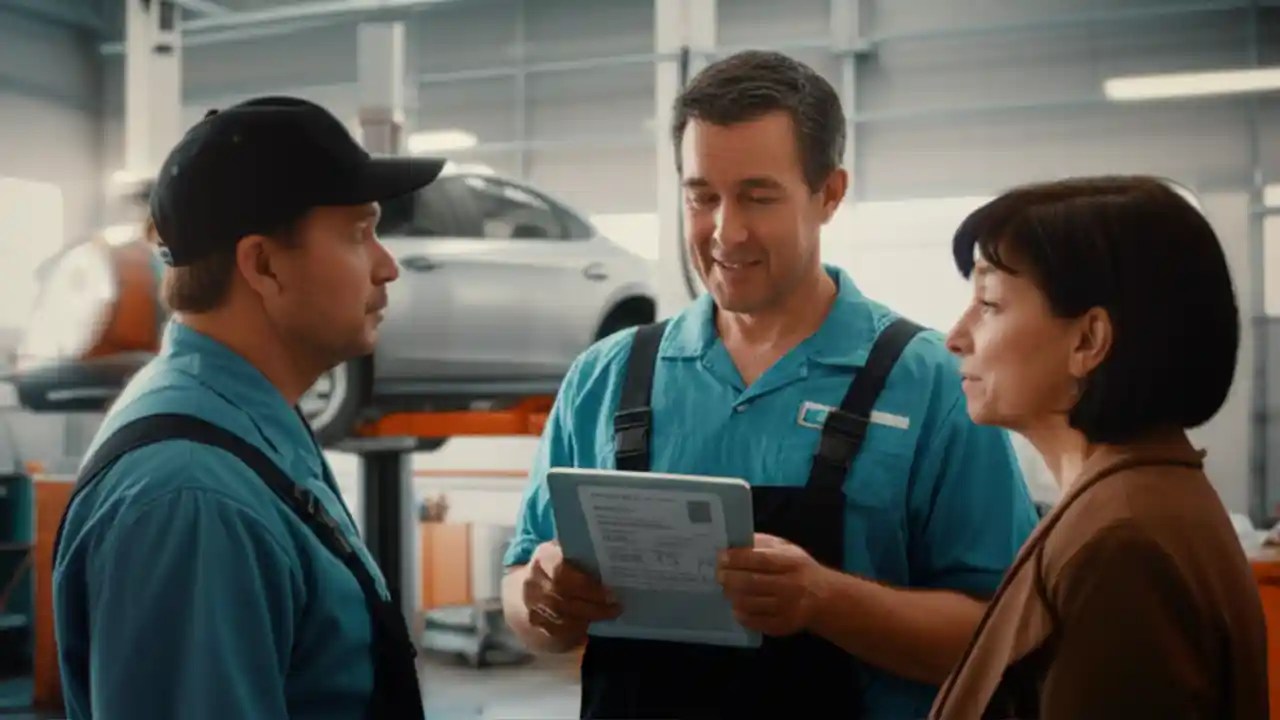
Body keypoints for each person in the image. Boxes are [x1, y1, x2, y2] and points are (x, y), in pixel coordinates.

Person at [500, 50, 1040, 719]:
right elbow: (523, 591)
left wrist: (826, 601)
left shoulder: (930, 383)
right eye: (702, 197)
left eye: (758, 197)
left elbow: (1002, 634)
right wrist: (542, 600)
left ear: (829, 194)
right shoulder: (605, 377)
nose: (726, 232)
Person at [51, 96, 445, 719]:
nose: (387, 266)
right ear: (263, 265)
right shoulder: (193, 499)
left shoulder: (242, 425)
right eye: (358, 233)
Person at [929, 176, 1269, 719]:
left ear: (1089, 341)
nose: (955, 336)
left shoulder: (1121, 545)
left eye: (989, 304)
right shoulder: (1123, 504)